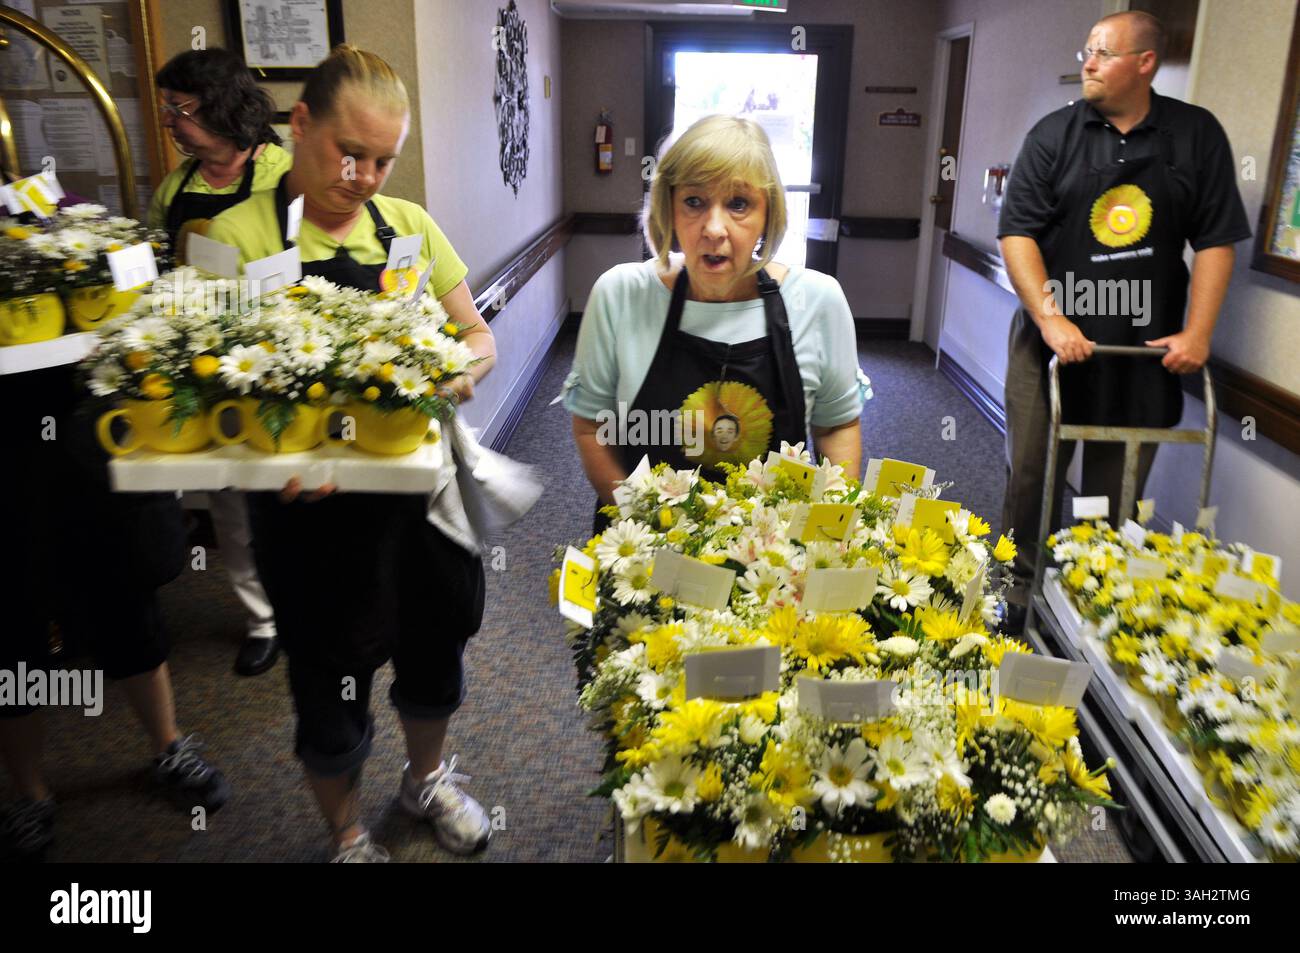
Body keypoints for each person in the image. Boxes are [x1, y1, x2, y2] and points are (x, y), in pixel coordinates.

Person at [204, 45, 497, 863]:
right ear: (300, 124)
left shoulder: (408, 228)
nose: (365, 176)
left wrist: (459, 372)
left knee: (433, 642)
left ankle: (426, 780)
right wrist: (264, 459)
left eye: (383, 159)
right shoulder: (231, 238)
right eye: (349, 153)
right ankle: (347, 833)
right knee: (329, 680)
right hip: (309, 510)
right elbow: (204, 393)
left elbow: (477, 335)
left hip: (419, 499)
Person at [997, 10, 1249, 631]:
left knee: (1113, 498)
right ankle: (1014, 593)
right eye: (1087, 50)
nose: (1087, 62)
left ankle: (1090, 608)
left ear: (1145, 63)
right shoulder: (1054, 135)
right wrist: (1052, 319)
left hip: (1141, 353)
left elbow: (1217, 240)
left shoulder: (1195, 136)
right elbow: (1016, 233)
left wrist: (1198, 332)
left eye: (1103, 53)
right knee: (1032, 477)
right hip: (1050, 345)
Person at [566, 115, 868, 522]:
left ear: (768, 214)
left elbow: (835, 429)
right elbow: (592, 427)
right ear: (669, 207)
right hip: (642, 556)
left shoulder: (817, 300)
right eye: (694, 201)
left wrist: (829, 533)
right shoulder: (621, 294)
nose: (713, 228)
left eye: (738, 204)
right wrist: (640, 526)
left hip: (772, 566)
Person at [0, 355, 229, 861]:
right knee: (13, 626)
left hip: (93, 414)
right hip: (8, 442)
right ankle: (28, 793)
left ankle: (168, 748)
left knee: (128, 597)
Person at [150, 48, 292, 676]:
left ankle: (308, 603)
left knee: (293, 490)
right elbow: (156, 262)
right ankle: (261, 618)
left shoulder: (283, 173)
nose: (170, 124)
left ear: (219, 106)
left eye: (178, 109)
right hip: (207, 365)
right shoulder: (173, 187)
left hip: (282, 356)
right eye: (167, 110)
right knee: (231, 499)